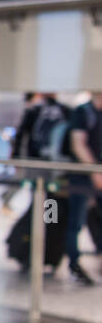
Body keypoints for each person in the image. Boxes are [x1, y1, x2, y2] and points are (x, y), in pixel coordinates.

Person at [64, 90, 102, 285]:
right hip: (81, 178)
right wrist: (95, 172)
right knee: (75, 223)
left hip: (96, 176)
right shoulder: (83, 112)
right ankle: (74, 264)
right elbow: (78, 144)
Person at [1, 92, 43, 211]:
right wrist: (16, 154)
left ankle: (7, 197)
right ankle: (6, 198)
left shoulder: (32, 111)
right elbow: (20, 135)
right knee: (20, 178)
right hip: (26, 155)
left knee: (26, 180)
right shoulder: (31, 111)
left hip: (28, 155)